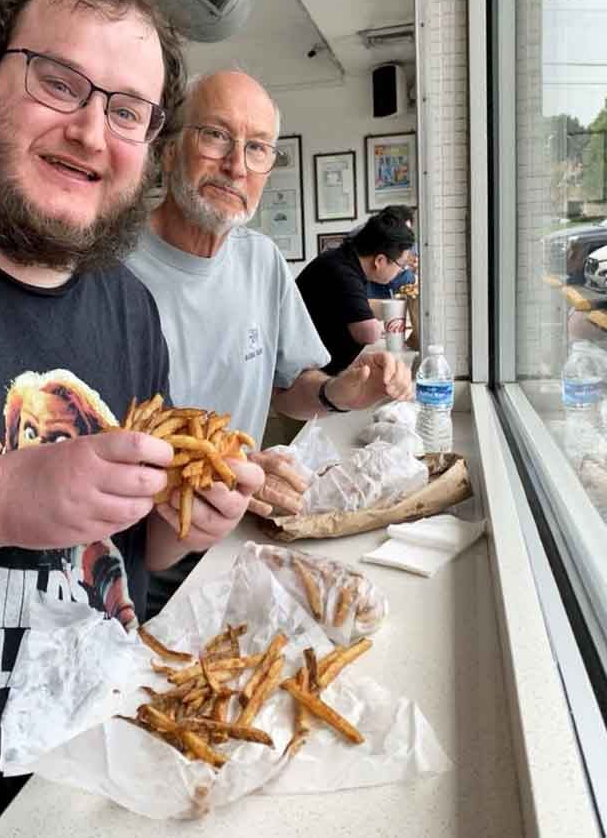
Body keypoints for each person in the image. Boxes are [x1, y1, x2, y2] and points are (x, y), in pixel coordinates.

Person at [0, 0, 264, 835]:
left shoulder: (127, 303)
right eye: (59, 82)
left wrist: (192, 516)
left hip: (98, 785)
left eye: (126, 111)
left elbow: (134, 547)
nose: (90, 133)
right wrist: (2, 495)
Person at [126, 69, 413, 614]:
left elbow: (290, 387)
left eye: (257, 148)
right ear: (167, 150)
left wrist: (338, 393)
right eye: (215, 136)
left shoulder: (261, 260)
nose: (236, 165)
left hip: (237, 538)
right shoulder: (109, 270)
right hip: (135, 559)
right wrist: (219, 474)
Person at [296, 210, 415, 375]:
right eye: (400, 264)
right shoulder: (342, 271)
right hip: (306, 379)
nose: (401, 271)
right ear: (380, 261)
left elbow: (359, 305)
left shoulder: (345, 260)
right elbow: (368, 334)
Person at [365, 204, 417, 299]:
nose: (406, 236)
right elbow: (390, 279)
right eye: (403, 232)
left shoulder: (411, 246)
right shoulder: (373, 247)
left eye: (409, 231)